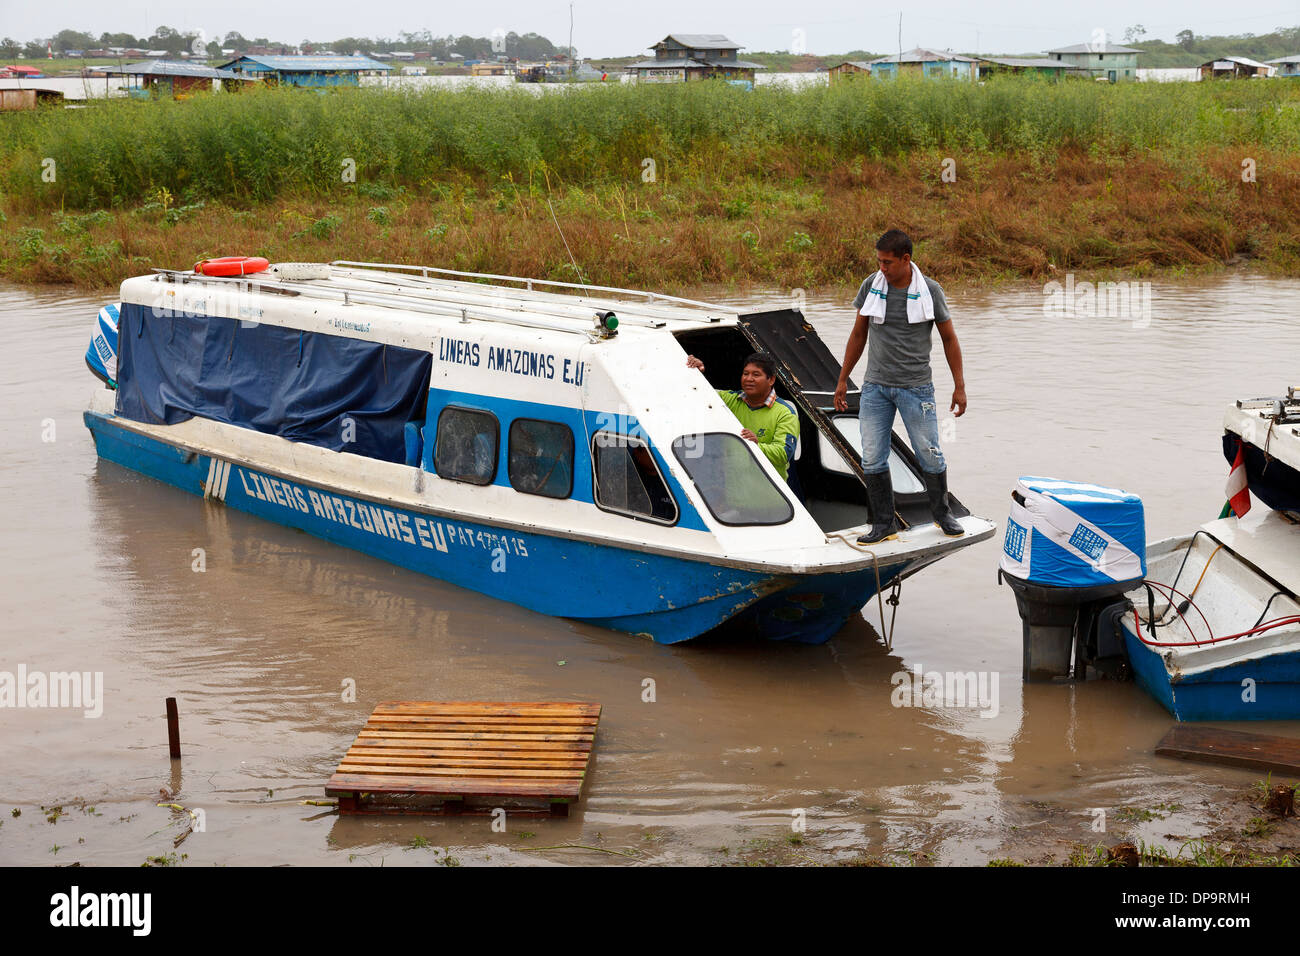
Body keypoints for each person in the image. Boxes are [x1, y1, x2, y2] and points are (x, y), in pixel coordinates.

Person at [833, 229, 967, 542]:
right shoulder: (871, 286)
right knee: (872, 455)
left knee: (929, 452)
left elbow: (949, 338)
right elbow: (858, 335)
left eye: (888, 262)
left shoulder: (930, 291)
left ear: (906, 259)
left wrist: (959, 386)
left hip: (916, 388)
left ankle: (942, 514)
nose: (882, 268)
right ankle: (883, 524)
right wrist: (842, 378)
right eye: (879, 261)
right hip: (876, 387)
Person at [685, 352, 799, 482]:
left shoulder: (784, 412)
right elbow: (697, 393)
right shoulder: (729, 399)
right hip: (730, 494)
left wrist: (756, 445)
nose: (749, 379)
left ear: (771, 380)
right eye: (746, 374)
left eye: (756, 374)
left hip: (768, 496)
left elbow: (783, 453)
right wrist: (696, 373)